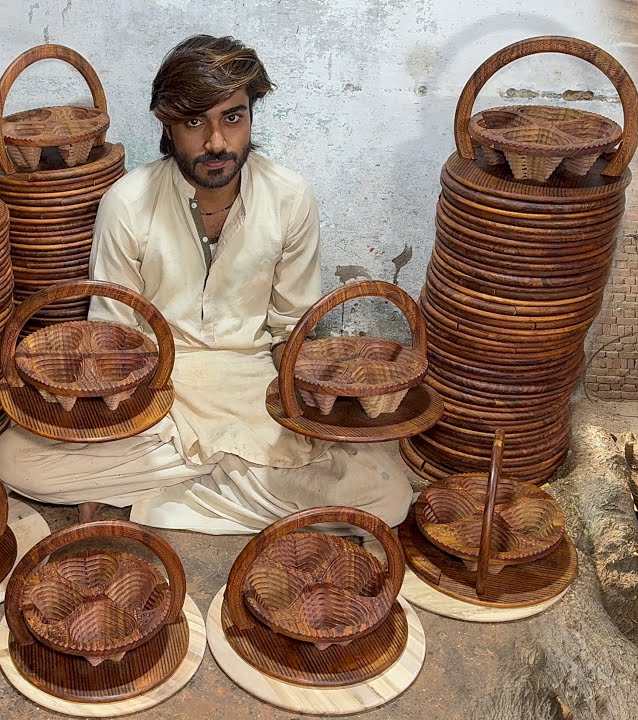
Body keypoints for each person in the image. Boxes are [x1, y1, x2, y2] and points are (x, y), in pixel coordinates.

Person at [0, 35, 414, 533]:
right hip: (156, 393)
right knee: (15, 460)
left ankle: (157, 495)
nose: (216, 143)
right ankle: (233, 481)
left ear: (251, 115)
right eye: (195, 122)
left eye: (232, 118)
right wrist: (141, 417)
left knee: (388, 496)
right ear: (167, 125)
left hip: (253, 391)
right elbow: (113, 340)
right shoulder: (127, 202)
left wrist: (303, 415)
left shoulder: (290, 197)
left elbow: (291, 332)